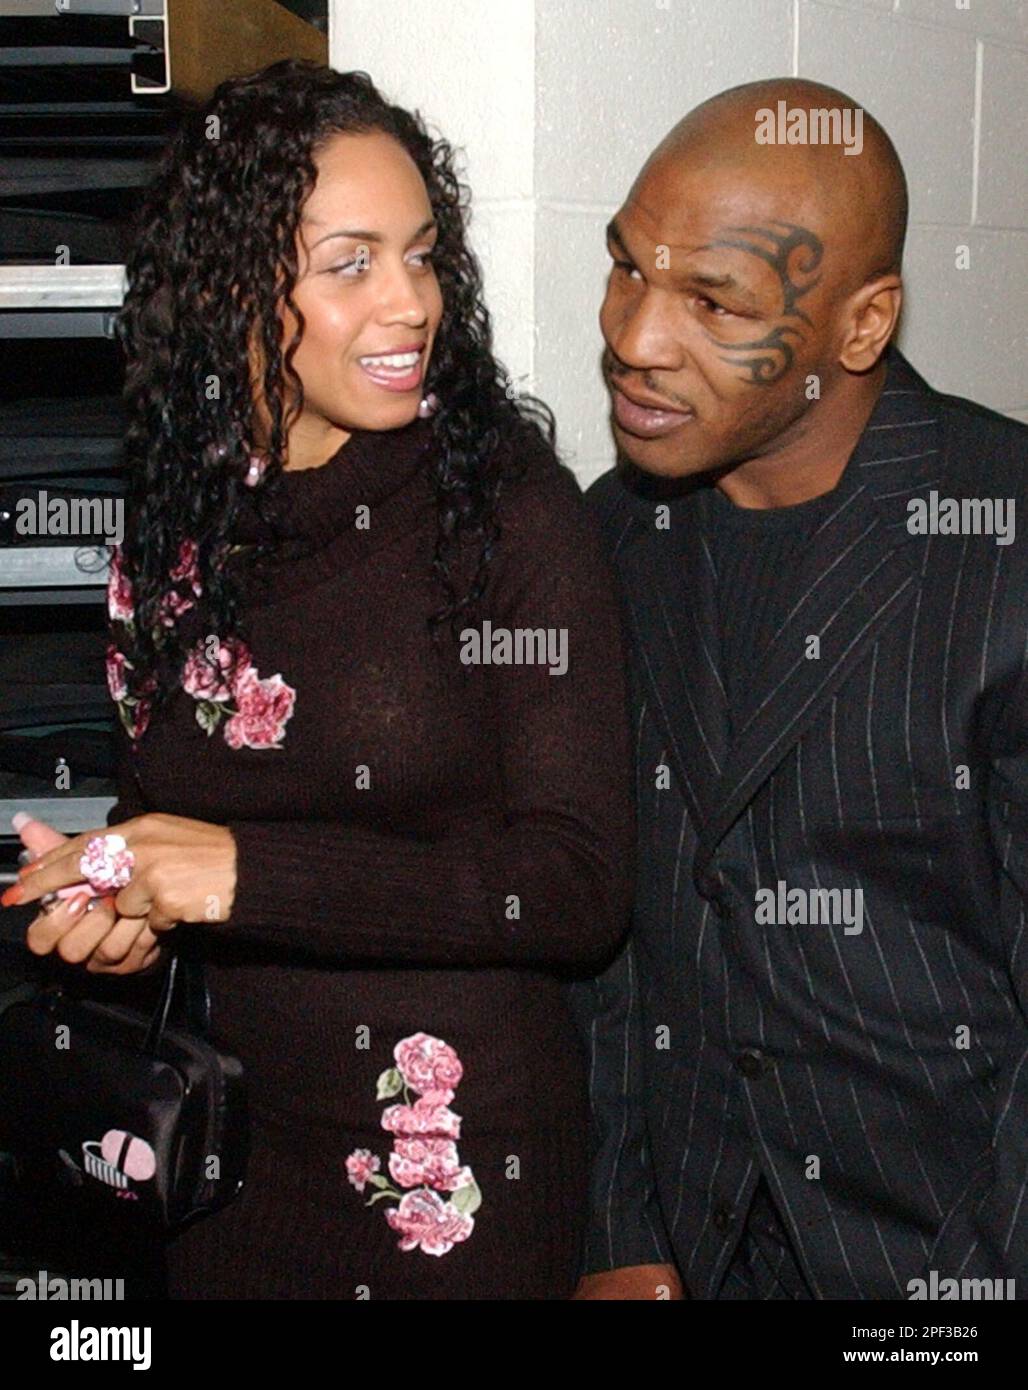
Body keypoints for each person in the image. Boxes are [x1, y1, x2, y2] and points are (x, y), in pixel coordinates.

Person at [4, 59, 634, 1300]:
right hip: (216, 1157)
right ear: (234, 287)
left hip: (449, 1180)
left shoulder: (508, 516)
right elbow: (171, 832)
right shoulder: (173, 533)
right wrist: (126, 929)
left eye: (423, 253)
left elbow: (576, 885)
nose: (411, 303)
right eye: (352, 263)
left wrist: (242, 873)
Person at [570, 77, 1028, 1300]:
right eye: (626, 267)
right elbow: (610, 940)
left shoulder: (1001, 542)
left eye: (711, 301)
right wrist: (619, 1231)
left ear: (861, 324)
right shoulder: (604, 540)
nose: (633, 337)